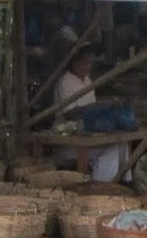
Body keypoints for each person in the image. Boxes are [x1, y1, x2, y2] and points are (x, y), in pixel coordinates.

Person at [50, 47, 129, 182]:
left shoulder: (88, 81)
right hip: (69, 141)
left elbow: (92, 111)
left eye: (90, 63)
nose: (89, 67)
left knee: (123, 146)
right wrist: (93, 107)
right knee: (110, 149)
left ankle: (123, 183)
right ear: (75, 63)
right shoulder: (65, 82)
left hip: (87, 135)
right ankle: (101, 187)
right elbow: (69, 114)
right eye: (85, 63)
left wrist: (105, 106)